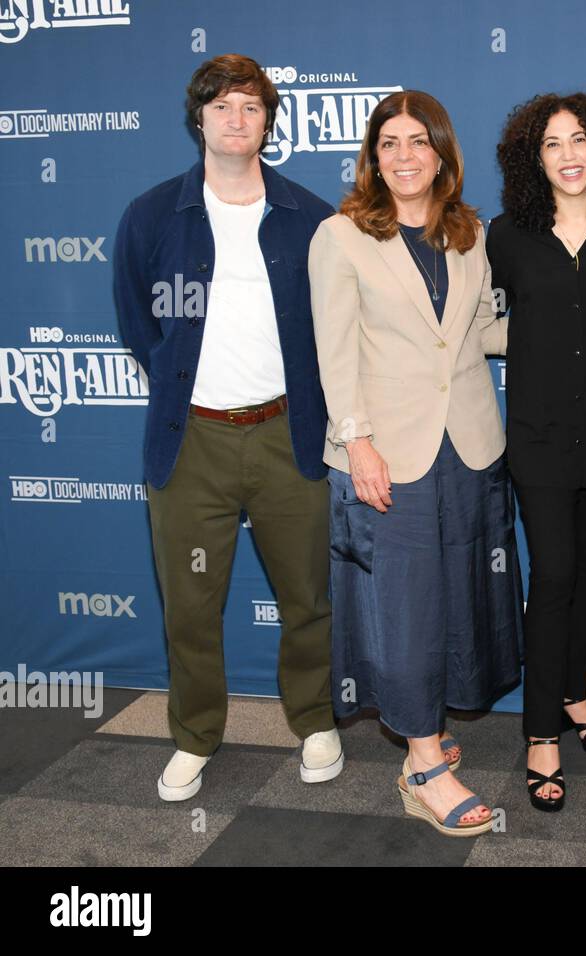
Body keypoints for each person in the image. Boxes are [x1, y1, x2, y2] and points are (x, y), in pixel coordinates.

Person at [113, 54, 340, 802]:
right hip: (193, 442)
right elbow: (136, 323)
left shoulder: (312, 217)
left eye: (250, 107)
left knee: (307, 594)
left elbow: (335, 329)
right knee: (191, 602)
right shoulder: (151, 216)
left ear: (267, 122)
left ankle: (312, 720)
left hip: (288, 436)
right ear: (199, 119)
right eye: (221, 107)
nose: (235, 120)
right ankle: (193, 734)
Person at [308, 90, 523, 838]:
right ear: (374, 157)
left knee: (456, 600)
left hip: (468, 446)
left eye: (418, 143)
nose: (404, 156)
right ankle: (423, 762)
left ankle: (427, 720)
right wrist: (357, 439)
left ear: (442, 155)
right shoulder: (340, 236)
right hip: (384, 452)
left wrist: (570, 318)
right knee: (402, 607)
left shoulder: (470, 233)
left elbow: (484, 332)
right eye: (389, 143)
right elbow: (334, 355)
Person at [487, 93, 586, 812]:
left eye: (580, 139)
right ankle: (541, 730)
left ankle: (577, 693)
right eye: (552, 143)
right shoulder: (506, 235)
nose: (568, 154)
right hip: (539, 439)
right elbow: (473, 324)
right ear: (535, 159)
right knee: (552, 575)